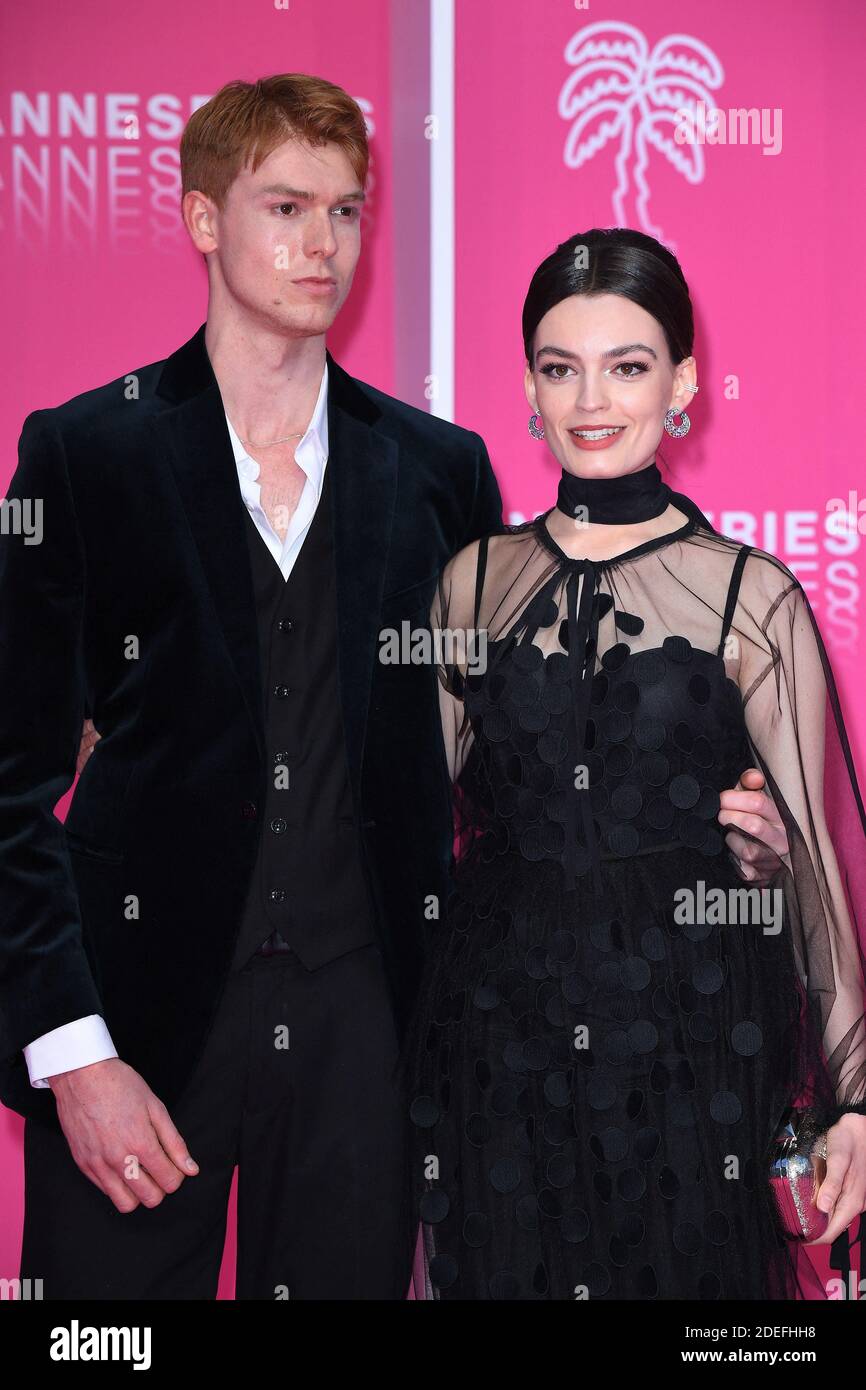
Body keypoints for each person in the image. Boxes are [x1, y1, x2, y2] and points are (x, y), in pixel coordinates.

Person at [0, 72, 508, 1300]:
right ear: (202, 220)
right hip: (139, 1024)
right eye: (285, 207)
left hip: (363, 1033)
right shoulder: (82, 453)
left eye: (345, 211)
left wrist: (714, 830)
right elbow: (7, 788)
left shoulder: (440, 472)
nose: (320, 243)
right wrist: (74, 1057)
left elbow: (497, 771)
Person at [403, 228, 866, 1301]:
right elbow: (404, 823)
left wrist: (852, 1099)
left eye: (627, 365)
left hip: (691, 1044)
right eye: (560, 368)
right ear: (527, 385)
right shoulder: (470, 583)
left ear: (682, 382)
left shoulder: (750, 596)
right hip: (494, 1044)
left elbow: (811, 876)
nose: (589, 398)